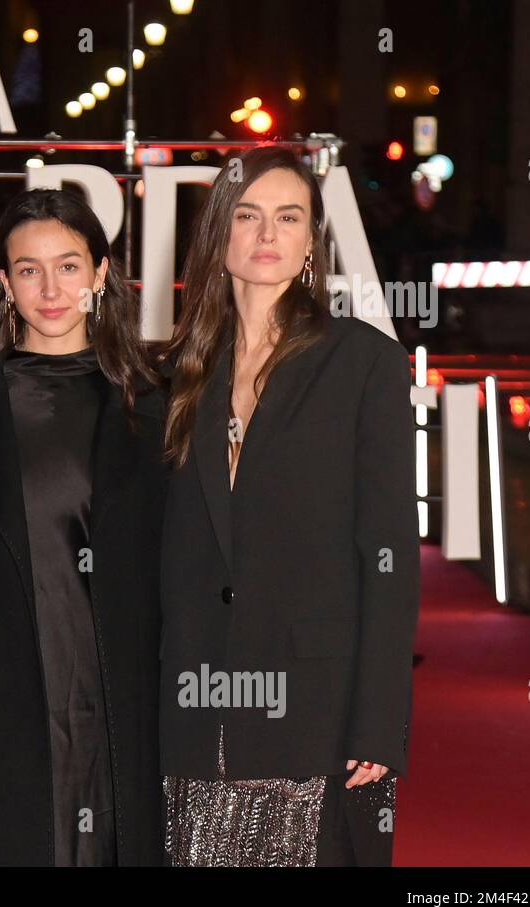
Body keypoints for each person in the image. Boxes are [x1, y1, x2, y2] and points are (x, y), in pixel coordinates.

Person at [158, 146, 419, 866]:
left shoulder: (363, 363)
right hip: (191, 711)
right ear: (219, 237)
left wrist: (379, 723)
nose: (267, 234)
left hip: (313, 713)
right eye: (247, 216)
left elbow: (388, 557)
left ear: (310, 244)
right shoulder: (173, 375)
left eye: (288, 217)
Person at [0, 188, 168, 866]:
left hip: (118, 699)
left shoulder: (155, 407)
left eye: (69, 266)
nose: (51, 288)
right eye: (29, 269)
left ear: (101, 274)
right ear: (4, 284)